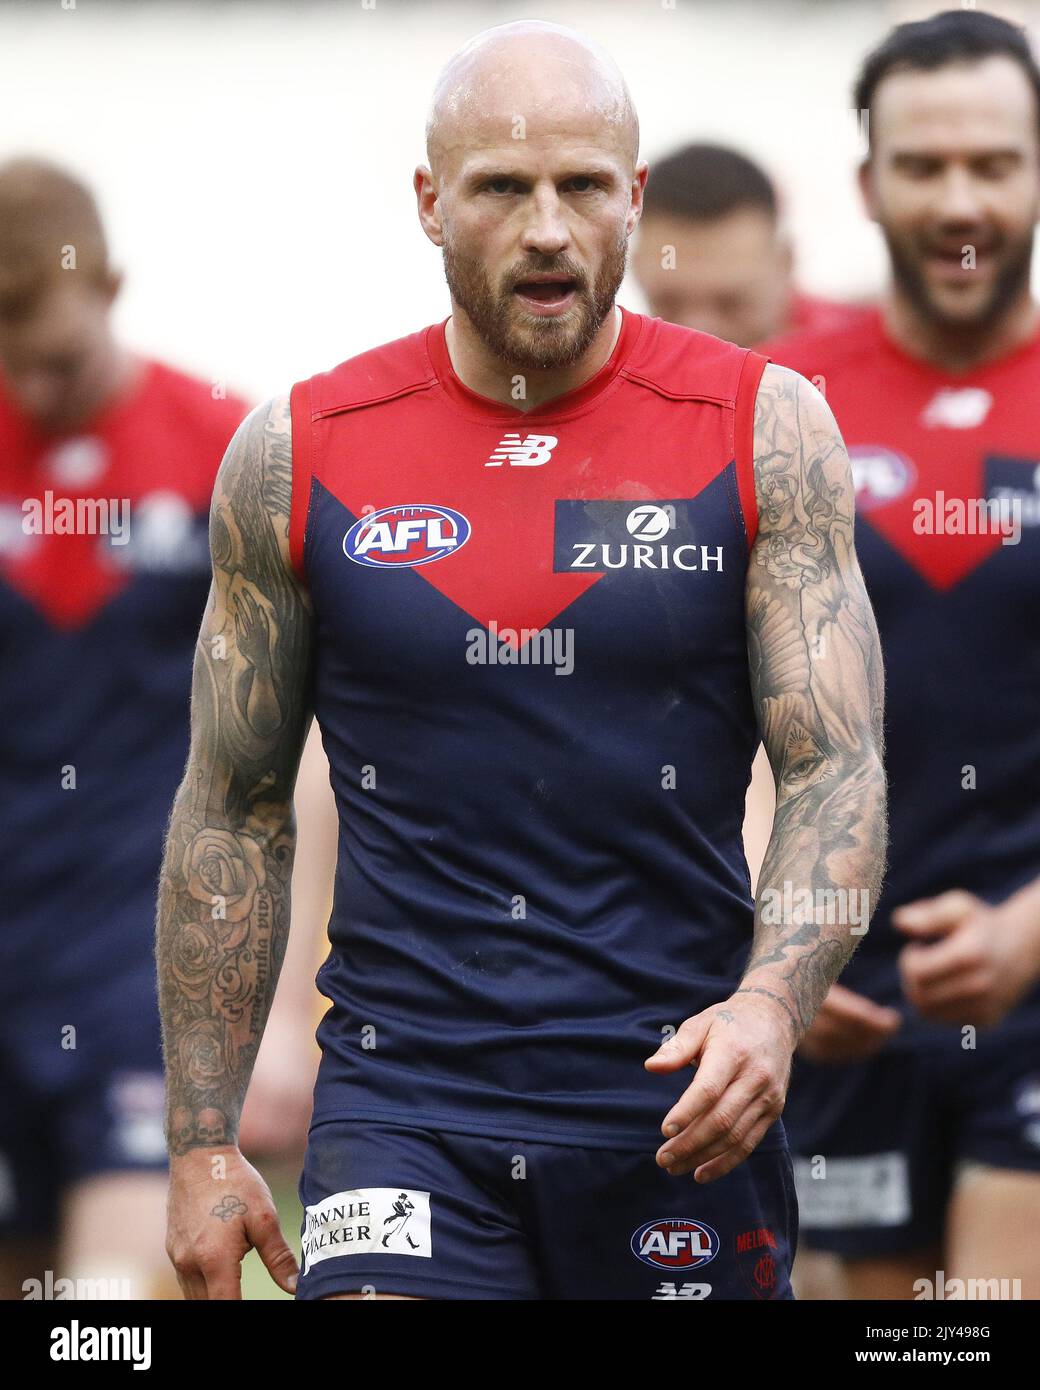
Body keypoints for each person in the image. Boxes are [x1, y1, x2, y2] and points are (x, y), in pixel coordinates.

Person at [158, 19, 886, 1302]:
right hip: (402, 1102)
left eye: (582, 186)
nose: (546, 227)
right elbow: (234, 804)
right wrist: (204, 1137)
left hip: (675, 1103)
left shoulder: (763, 428)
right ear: (431, 203)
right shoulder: (299, 450)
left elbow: (835, 767)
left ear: (633, 200)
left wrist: (772, 1001)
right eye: (501, 186)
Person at [765, 8, 1040, 1300]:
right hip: (844, 1005)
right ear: (869, 181)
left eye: (995, 160)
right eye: (924, 165)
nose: (960, 197)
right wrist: (774, 957)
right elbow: (692, 724)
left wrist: (1030, 932)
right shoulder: (779, 405)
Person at [0, 159, 250, 1298]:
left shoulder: (228, 453)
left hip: (139, 963)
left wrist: (292, 1005)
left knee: (107, 1310)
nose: (32, 388)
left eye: (52, 357)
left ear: (110, 285)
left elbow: (298, 750)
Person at [631, 142, 868, 347]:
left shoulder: (861, 360)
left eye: (731, 304)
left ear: (785, 263)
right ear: (634, 266)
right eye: (669, 301)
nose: (697, 331)